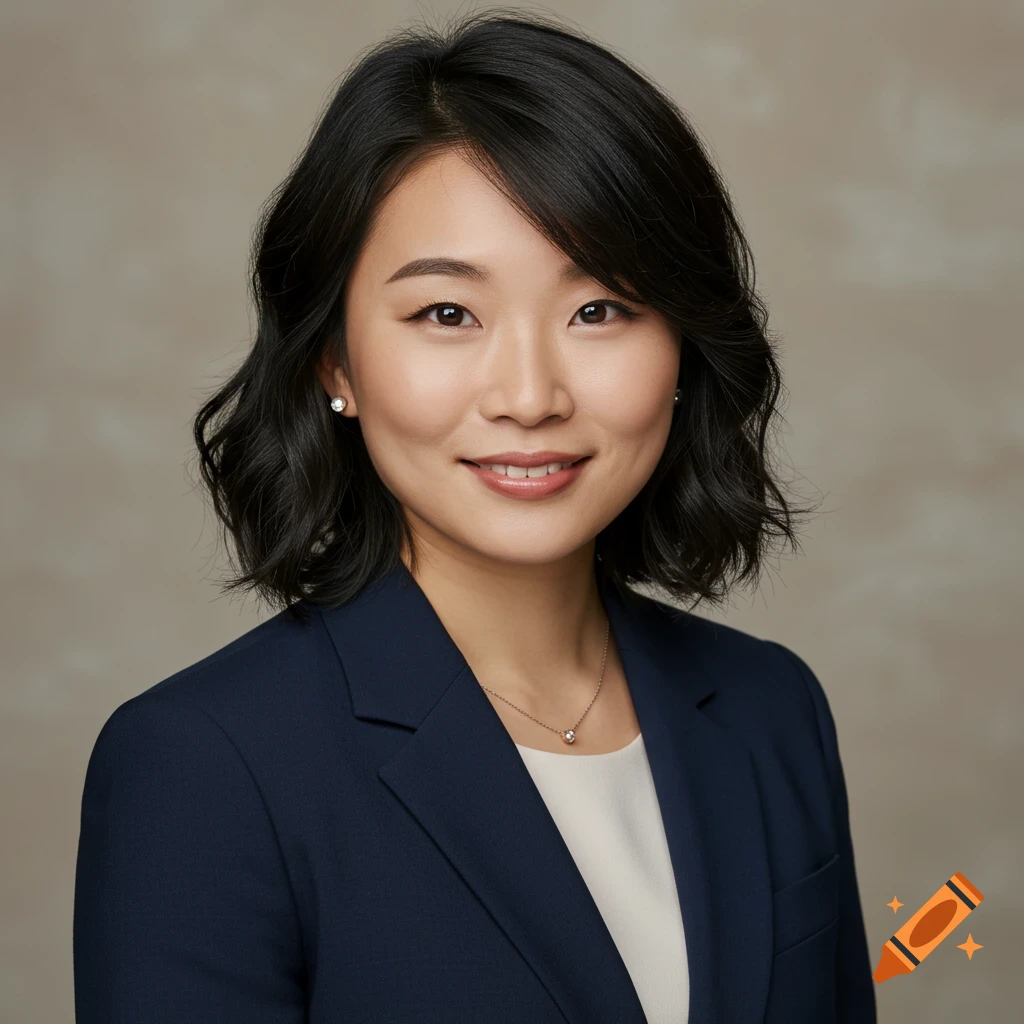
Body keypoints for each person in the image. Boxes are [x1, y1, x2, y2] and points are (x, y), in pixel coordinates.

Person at [72, 9, 876, 1023]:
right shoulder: (202, 765)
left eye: (601, 308)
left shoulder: (770, 711)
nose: (530, 394)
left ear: (681, 345)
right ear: (336, 363)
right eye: (446, 314)